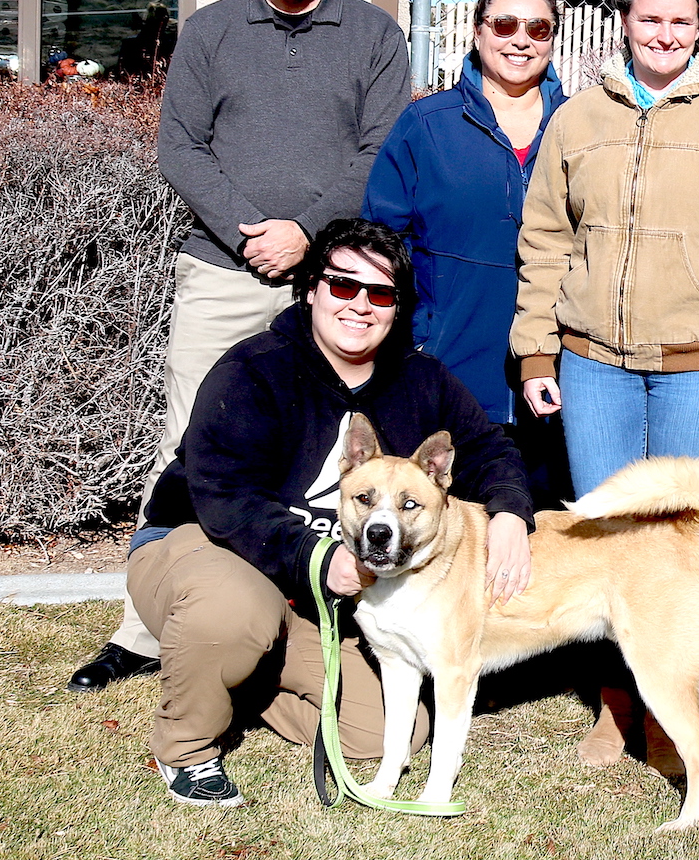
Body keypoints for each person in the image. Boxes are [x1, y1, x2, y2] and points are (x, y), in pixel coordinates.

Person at [69, 0, 410, 693]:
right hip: (225, 269)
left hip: (336, 284)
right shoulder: (212, 30)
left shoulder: (373, 35)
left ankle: (324, 617)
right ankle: (145, 630)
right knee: (189, 439)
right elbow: (180, 146)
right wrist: (253, 232)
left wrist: (307, 237)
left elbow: (383, 149)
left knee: (335, 450)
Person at [128, 219, 533, 806]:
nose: (360, 306)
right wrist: (318, 559)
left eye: (381, 293)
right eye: (343, 286)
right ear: (311, 289)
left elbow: (490, 450)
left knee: (388, 732)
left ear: (398, 307)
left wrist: (510, 512)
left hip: (322, 595)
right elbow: (226, 498)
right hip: (211, 546)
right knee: (234, 612)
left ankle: (244, 676)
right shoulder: (254, 369)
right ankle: (187, 746)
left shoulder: (421, 378)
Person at [510, 0, 699, 706]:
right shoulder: (578, 118)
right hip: (592, 360)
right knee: (608, 529)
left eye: (680, 20)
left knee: (672, 536)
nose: (665, 34)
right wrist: (537, 352)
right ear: (623, 22)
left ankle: (676, 683)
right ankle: (619, 699)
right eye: (650, 19)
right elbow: (545, 243)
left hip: (698, 363)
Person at [362, 0, 569, 496]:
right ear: (477, 33)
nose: (520, 39)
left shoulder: (581, 126)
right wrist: (414, 337)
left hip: (561, 371)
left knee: (546, 535)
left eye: (538, 29)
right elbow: (382, 244)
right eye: (504, 24)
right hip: (451, 365)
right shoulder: (427, 125)